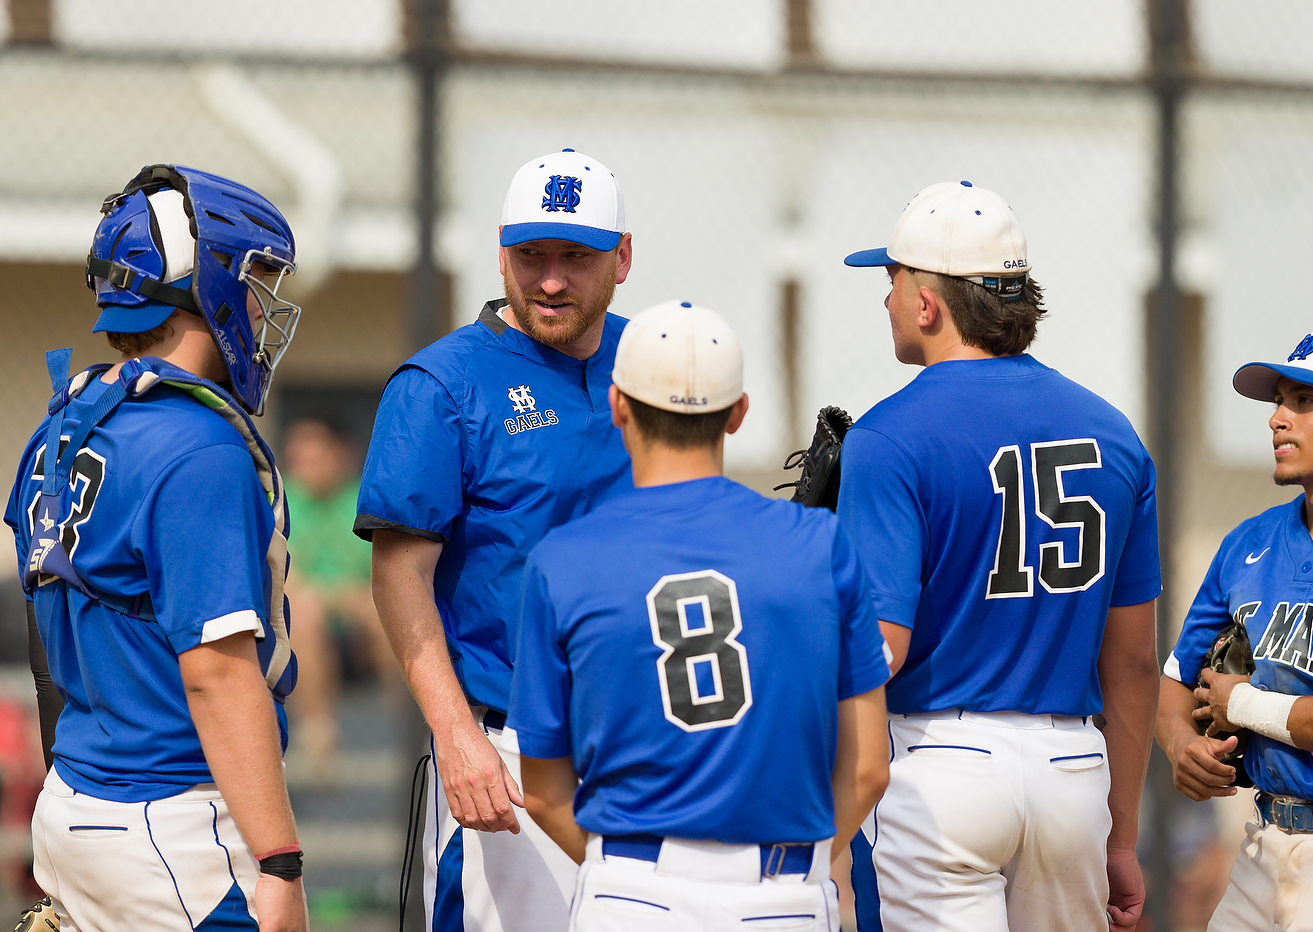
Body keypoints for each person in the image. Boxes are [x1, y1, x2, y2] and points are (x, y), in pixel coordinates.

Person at [837, 180, 1162, 932]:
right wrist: (1121, 832)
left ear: (928, 304)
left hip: (936, 767)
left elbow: (877, 649)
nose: (884, 300)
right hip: (1073, 775)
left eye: (892, 282)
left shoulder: (889, 437)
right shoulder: (1113, 434)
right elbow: (1136, 662)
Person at [511, 299, 891, 931]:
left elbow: (546, 792)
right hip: (782, 897)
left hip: (630, 896)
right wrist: (795, 864)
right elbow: (868, 768)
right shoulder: (819, 543)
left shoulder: (564, 559)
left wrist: (625, 869)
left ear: (618, 406)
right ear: (739, 414)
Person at [3, 164, 307, 932]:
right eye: (253, 279)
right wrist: (279, 863)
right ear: (203, 283)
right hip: (172, 824)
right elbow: (215, 673)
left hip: (75, 797)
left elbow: (48, 653)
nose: (262, 301)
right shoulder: (198, 446)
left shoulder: (62, 426)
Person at [356, 148, 633, 930]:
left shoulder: (648, 361)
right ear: (501, 252)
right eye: (530, 256)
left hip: (645, 743)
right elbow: (398, 578)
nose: (550, 280)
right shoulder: (440, 384)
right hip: (510, 754)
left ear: (624, 258)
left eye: (576, 257)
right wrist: (454, 736)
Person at [1159, 325, 1313, 932]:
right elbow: (1174, 680)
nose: (1277, 419)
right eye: (1278, 401)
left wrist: (1243, 703)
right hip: (1260, 842)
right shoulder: (1249, 541)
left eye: (1305, 401)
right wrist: (1180, 745)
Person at [281, 417, 395, 773]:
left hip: (361, 608)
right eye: (298, 459)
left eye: (314, 458)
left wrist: (345, 595)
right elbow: (288, 576)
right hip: (309, 616)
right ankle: (318, 732)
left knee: (385, 609)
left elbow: (380, 573)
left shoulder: (362, 500)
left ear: (338, 455)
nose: (306, 468)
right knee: (303, 609)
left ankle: (407, 723)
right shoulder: (283, 503)